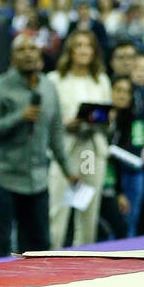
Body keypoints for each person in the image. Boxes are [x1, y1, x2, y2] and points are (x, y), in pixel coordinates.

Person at [0, 34, 82, 257]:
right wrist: (19, 117)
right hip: (3, 179)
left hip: (37, 181)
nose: (28, 54)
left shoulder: (49, 88)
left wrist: (68, 171)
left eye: (33, 49)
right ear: (12, 57)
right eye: (22, 50)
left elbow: (56, 134)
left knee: (39, 246)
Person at [47, 29, 112, 248]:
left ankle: (83, 261)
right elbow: (48, 117)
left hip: (93, 147)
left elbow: (107, 116)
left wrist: (104, 118)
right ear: (70, 50)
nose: (84, 50)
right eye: (79, 45)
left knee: (89, 209)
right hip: (65, 147)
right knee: (58, 208)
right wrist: (66, 123)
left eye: (89, 46)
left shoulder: (101, 80)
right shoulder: (55, 79)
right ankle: (50, 256)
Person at [103, 75, 144, 238]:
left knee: (128, 224)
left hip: (131, 176)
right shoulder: (102, 116)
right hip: (108, 177)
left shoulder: (136, 120)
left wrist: (111, 151)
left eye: (127, 92)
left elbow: (135, 152)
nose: (122, 95)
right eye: (118, 90)